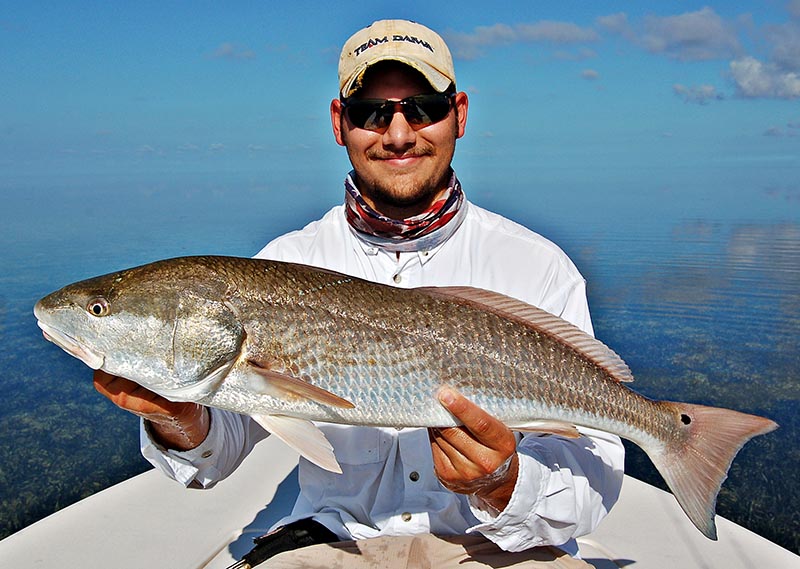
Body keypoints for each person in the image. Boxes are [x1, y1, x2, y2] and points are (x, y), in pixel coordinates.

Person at [93, 19, 624, 568]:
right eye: (371, 112)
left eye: (422, 107)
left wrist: (503, 482)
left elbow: (595, 474)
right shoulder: (284, 264)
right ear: (338, 122)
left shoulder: (536, 266)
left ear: (459, 114)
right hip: (333, 543)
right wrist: (176, 416)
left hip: (499, 545)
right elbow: (215, 454)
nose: (398, 134)